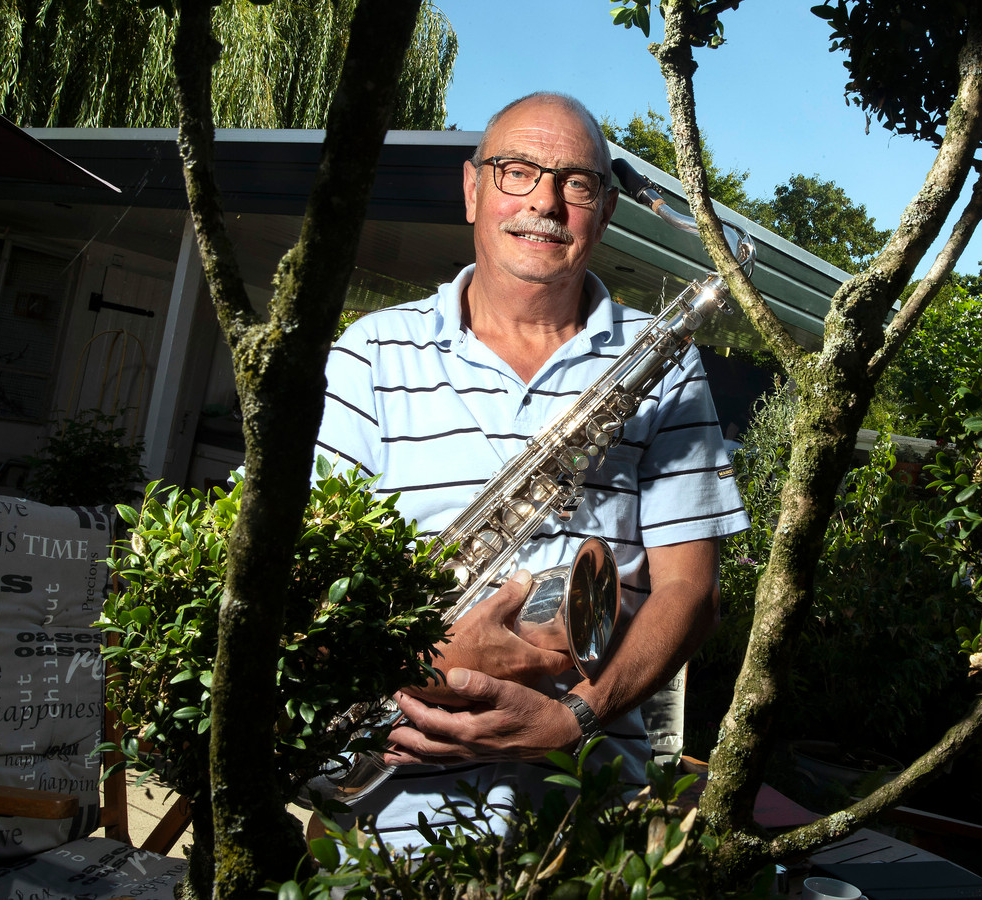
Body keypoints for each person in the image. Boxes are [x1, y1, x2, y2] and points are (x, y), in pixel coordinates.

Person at [314, 91, 748, 850]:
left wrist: (572, 716)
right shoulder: (369, 352)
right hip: (383, 815)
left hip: (580, 819)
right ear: (472, 188)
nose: (544, 202)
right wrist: (420, 661)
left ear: (605, 209)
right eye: (516, 171)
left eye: (576, 183)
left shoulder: (668, 368)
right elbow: (295, 579)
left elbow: (692, 590)